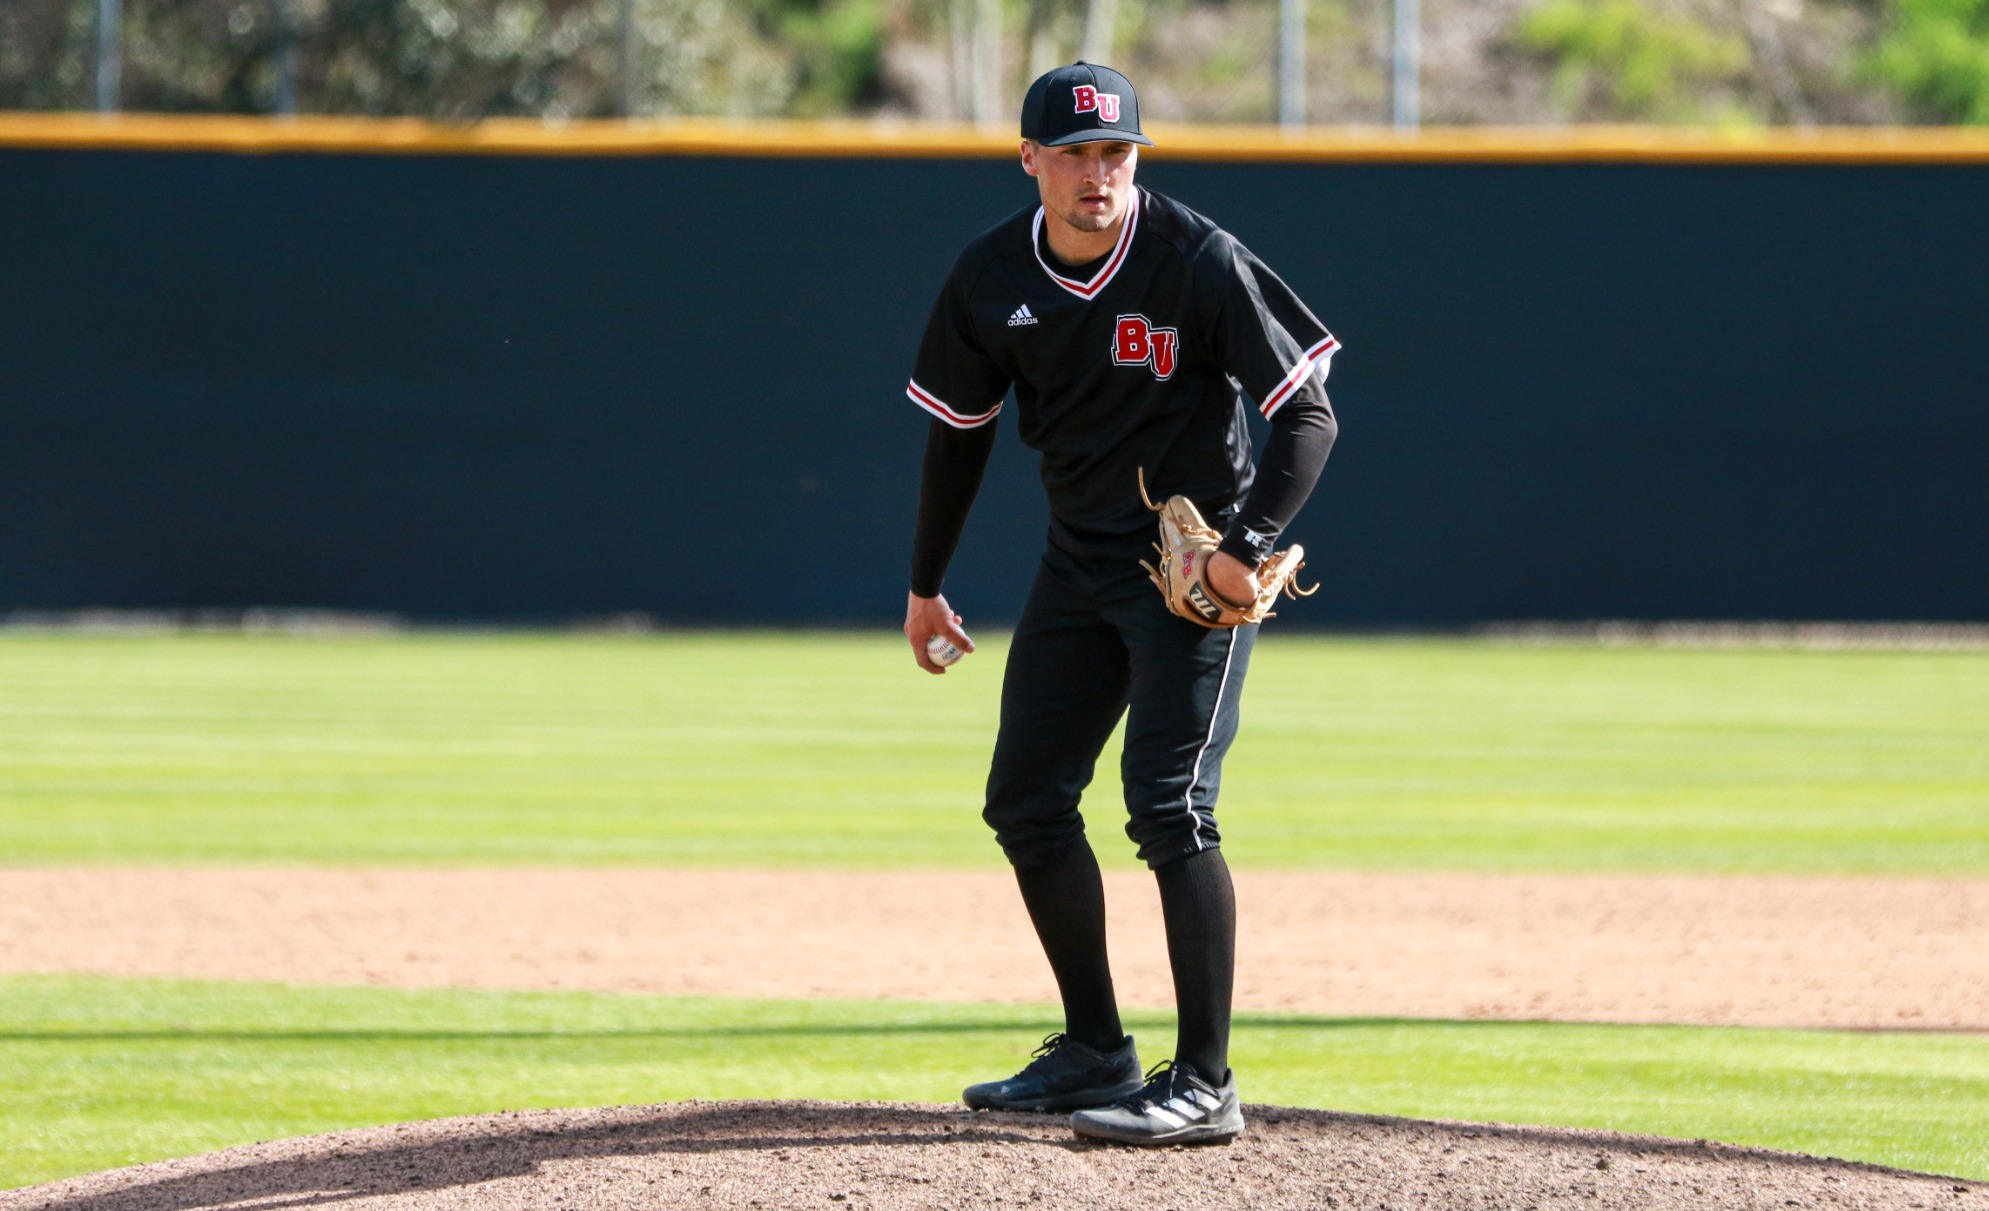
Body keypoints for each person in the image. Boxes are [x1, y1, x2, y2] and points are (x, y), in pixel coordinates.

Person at [900, 61, 1339, 1147]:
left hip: (1187, 579)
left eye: (1117, 151)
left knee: (1167, 804)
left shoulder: (1196, 257)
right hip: (1078, 563)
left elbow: (1310, 414)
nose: (1099, 172)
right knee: (1026, 800)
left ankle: (1206, 1079)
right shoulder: (991, 272)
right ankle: (1095, 1045)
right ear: (1030, 159)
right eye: (1076, 151)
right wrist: (924, 586)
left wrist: (1244, 549)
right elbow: (958, 433)